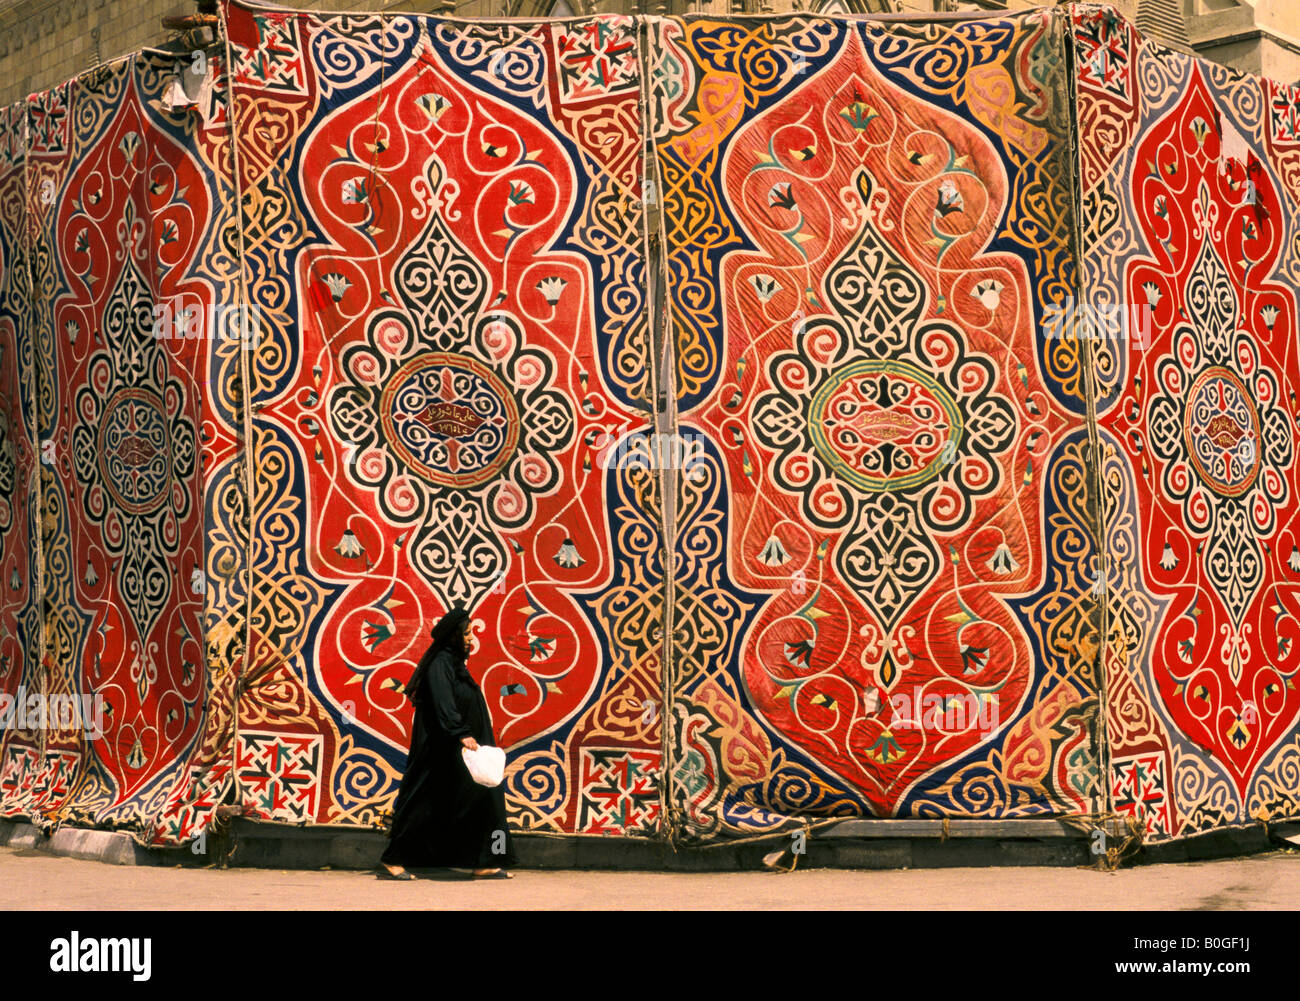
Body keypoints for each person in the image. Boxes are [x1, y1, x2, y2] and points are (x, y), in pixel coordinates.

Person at [379, 607, 517, 879]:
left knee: (485, 799)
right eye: (465, 633)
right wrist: (461, 733)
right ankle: (392, 859)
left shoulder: (453, 663)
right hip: (444, 748)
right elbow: (443, 701)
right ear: (453, 636)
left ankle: (488, 859)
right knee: (423, 802)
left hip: (464, 749)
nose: (469, 638)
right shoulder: (440, 663)